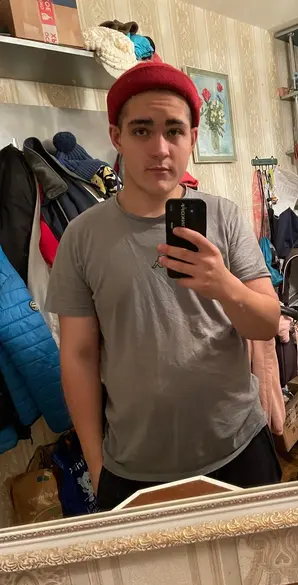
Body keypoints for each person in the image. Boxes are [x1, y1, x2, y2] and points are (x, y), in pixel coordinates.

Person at [46, 62, 281, 511]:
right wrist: (96, 464)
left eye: (174, 131)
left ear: (193, 137)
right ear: (116, 137)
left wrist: (224, 285)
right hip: (132, 467)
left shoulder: (225, 217)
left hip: (238, 448)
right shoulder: (81, 236)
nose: (159, 149)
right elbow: (78, 355)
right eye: (141, 131)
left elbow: (267, 324)